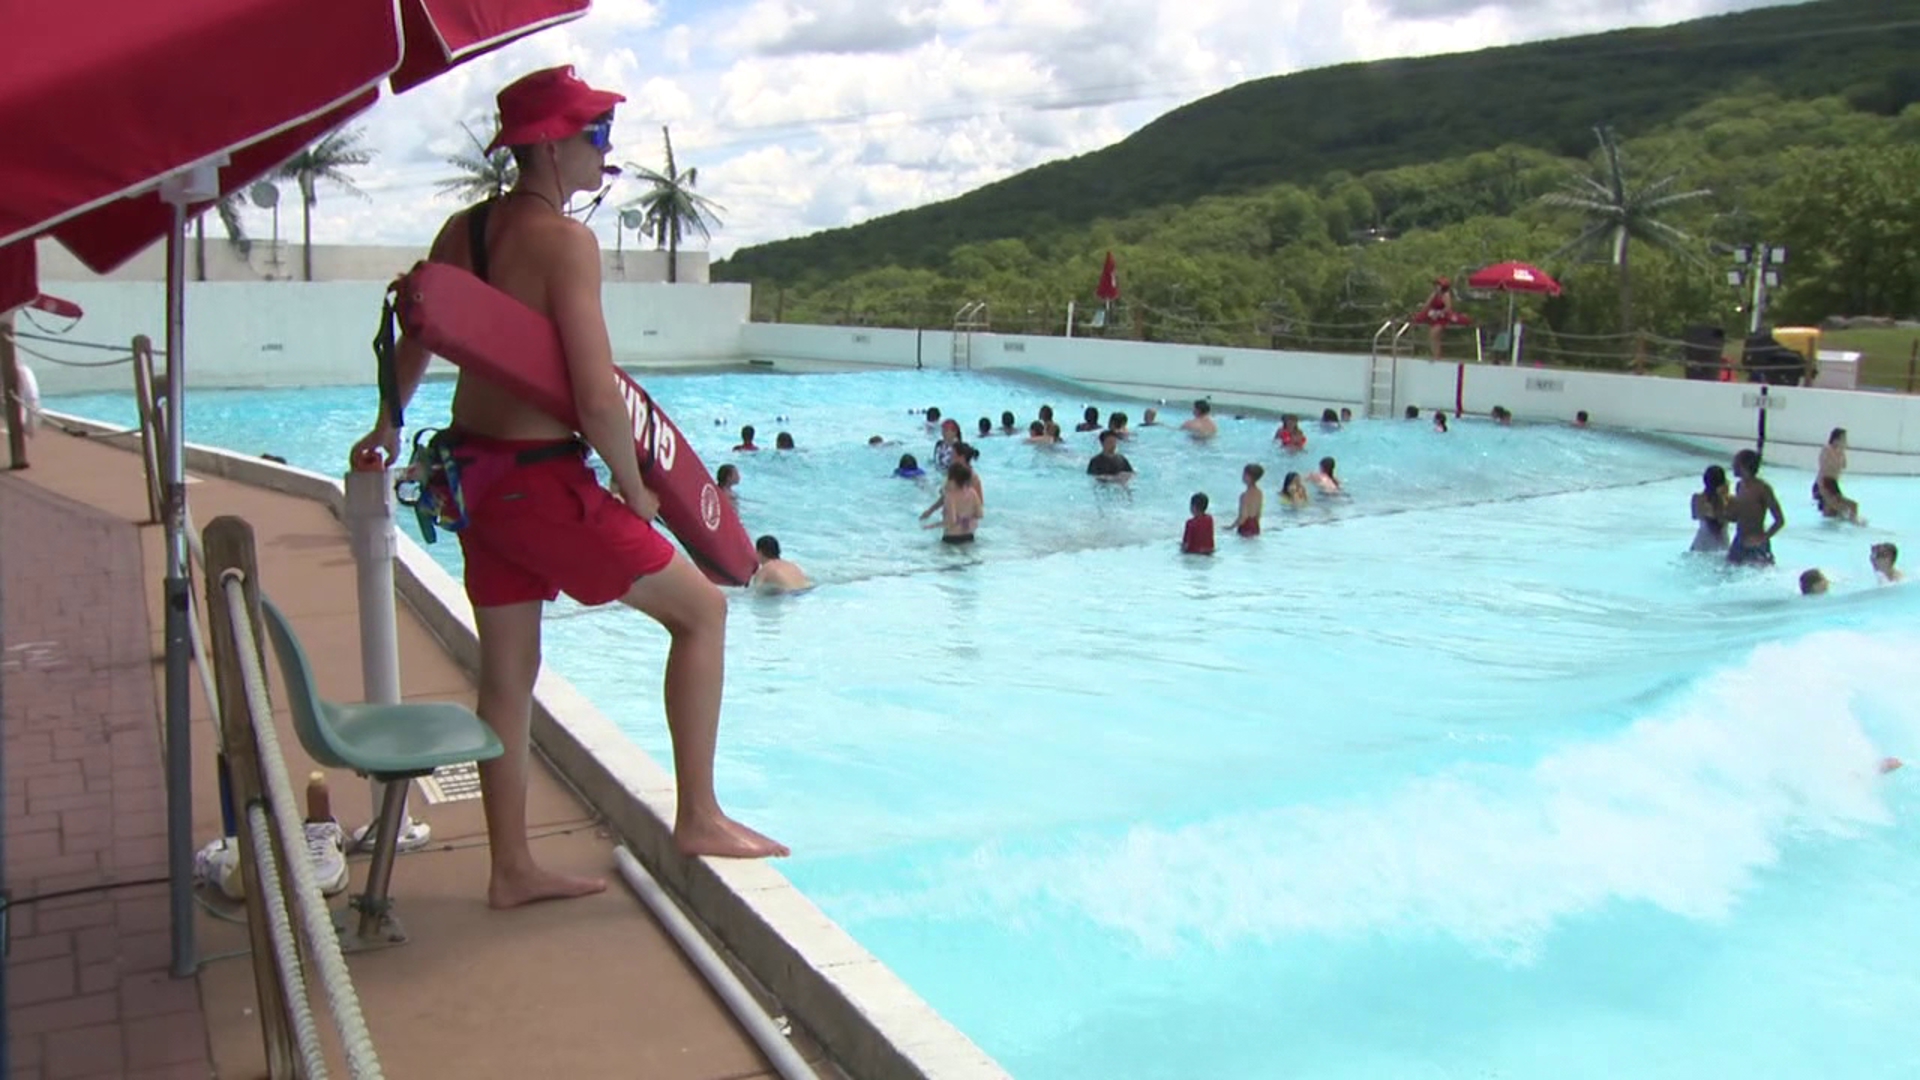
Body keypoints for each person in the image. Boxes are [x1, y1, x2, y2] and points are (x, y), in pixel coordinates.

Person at [348, 65, 786, 900]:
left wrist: (387, 423)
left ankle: (511, 868)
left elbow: (419, 336)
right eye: (595, 135)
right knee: (704, 612)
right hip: (541, 486)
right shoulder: (565, 243)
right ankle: (699, 813)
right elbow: (595, 392)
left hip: (472, 482)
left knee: (506, 679)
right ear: (549, 147)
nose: (605, 150)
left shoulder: (464, 232)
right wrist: (633, 487)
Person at [1726, 448, 1783, 567]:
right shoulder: (1739, 486)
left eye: (1735, 463)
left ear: (1744, 466)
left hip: (1757, 541)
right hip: (1739, 539)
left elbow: (1779, 520)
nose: (1732, 465)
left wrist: (1763, 538)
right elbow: (1739, 515)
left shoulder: (1762, 488)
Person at [923, 461, 982, 544]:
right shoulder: (972, 492)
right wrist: (965, 519)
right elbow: (979, 514)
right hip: (969, 536)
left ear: (952, 479)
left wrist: (933, 526)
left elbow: (952, 521)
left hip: (952, 538)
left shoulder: (950, 496)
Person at [1813, 427, 1860, 522]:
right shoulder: (1827, 449)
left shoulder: (1840, 452)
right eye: (1844, 439)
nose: (1846, 441)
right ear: (1836, 439)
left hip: (1832, 483)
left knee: (1834, 513)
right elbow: (1827, 466)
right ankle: (1855, 524)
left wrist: (1841, 451)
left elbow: (1844, 466)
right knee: (1850, 507)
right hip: (1824, 483)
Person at [1690, 465, 1729, 554]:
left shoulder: (1696, 499)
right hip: (1722, 545)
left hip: (1701, 544)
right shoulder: (1729, 501)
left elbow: (1694, 516)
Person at [1228, 464, 1265, 537]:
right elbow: (1259, 514)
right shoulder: (1259, 493)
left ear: (1249, 477)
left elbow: (1243, 517)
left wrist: (1230, 527)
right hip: (1255, 525)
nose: (1242, 476)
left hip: (1246, 527)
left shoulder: (1244, 496)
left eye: (1244, 474)